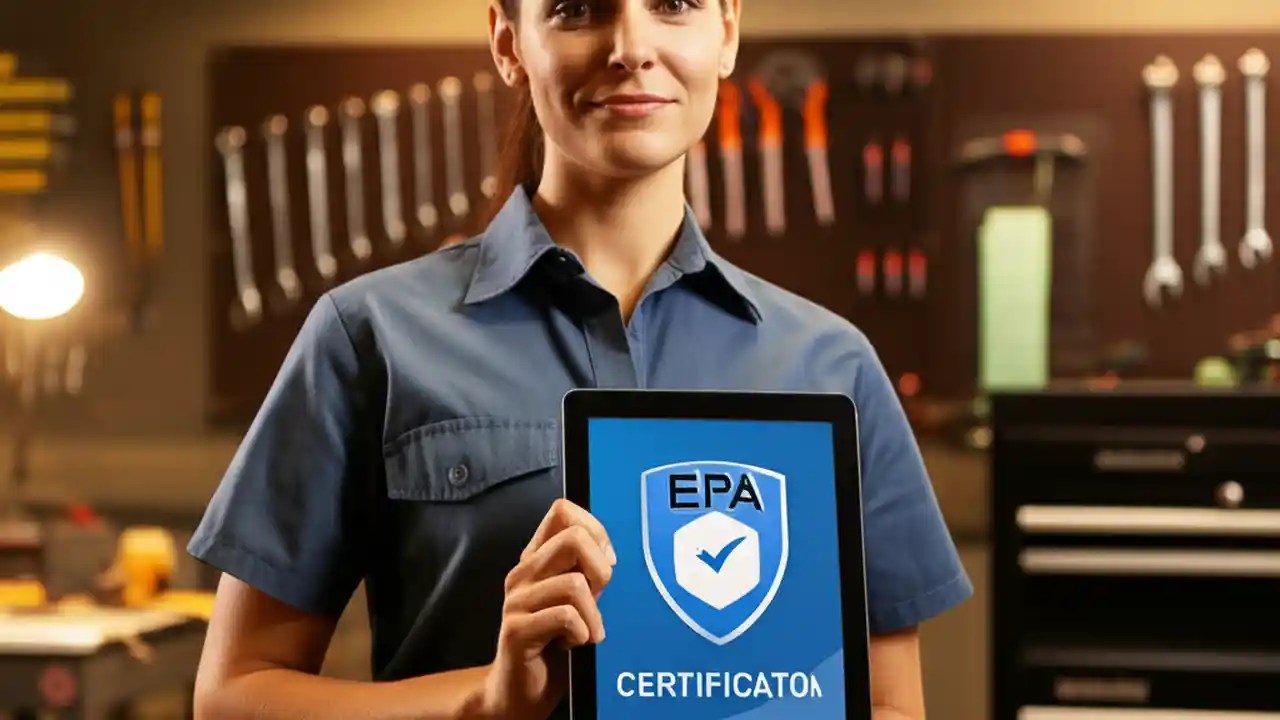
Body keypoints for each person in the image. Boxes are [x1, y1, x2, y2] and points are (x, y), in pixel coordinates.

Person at [188, 0, 973, 718]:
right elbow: (234, 697)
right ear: (508, 41)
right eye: (578, 9)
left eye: (673, 6)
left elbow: (892, 708)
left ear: (727, 30)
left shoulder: (831, 364)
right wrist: (484, 703)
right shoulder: (369, 336)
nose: (630, 47)